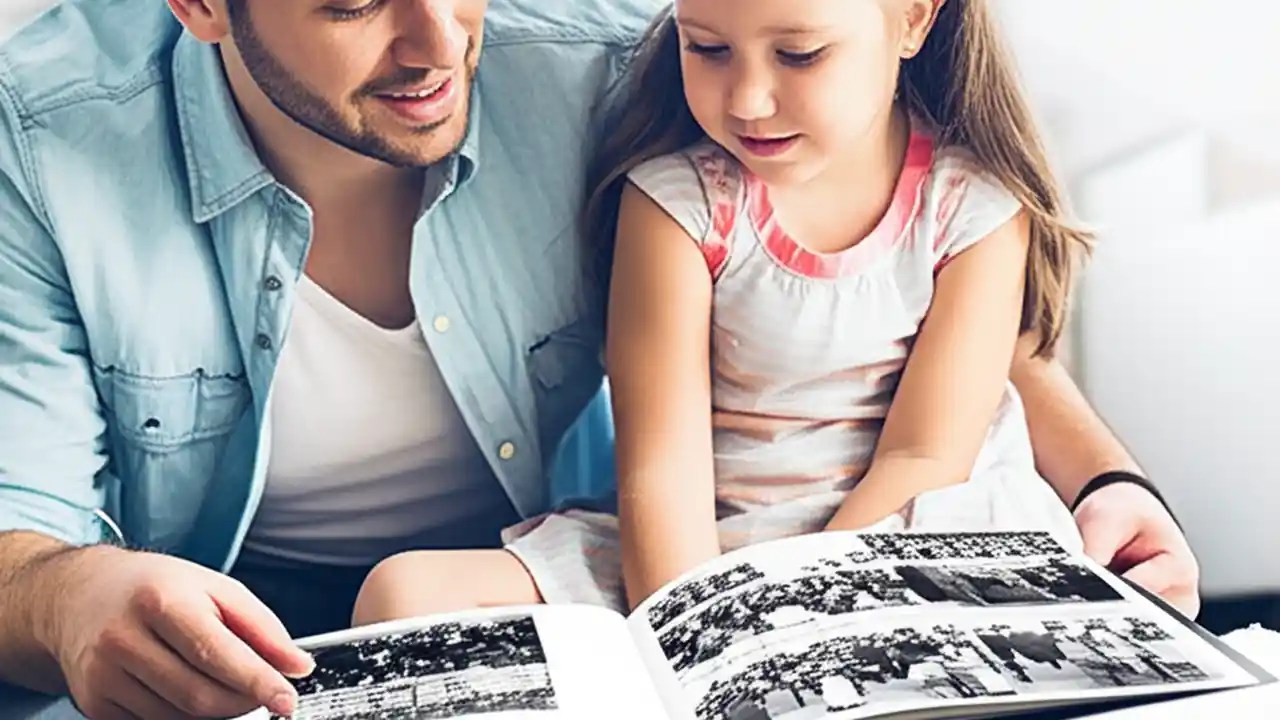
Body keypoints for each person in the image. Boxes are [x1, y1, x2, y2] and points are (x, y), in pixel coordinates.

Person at [0, 0, 1195, 718]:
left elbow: (921, 317)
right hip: (254, 627)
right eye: (354, 1)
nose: (434, 43)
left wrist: (1105, 481)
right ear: (203, 4)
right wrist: (65, 598)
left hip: (601, 589)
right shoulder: (44, 142)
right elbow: (19, 532)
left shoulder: (622, 52)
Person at [351, 0, 1199, 624]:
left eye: (798, 55)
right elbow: (662, 469)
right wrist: (692, 629)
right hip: (703, 541)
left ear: (911, 20)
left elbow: (923, 455)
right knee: (404, 594)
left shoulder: (976, 208)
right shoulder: (676, 201)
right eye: (708, 48)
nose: (748, 99)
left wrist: (805, 609)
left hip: (907, 528)